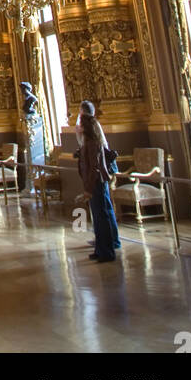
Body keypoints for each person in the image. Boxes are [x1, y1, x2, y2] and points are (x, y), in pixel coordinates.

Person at [77, 100, 121, 263]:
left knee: (101, 216)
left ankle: (107, 251)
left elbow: (94, 166)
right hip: (95, 182)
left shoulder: (93, 142)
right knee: (99, 216)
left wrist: (88, 189)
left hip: (97, 182)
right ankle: (101, 248)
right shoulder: (90, 140)